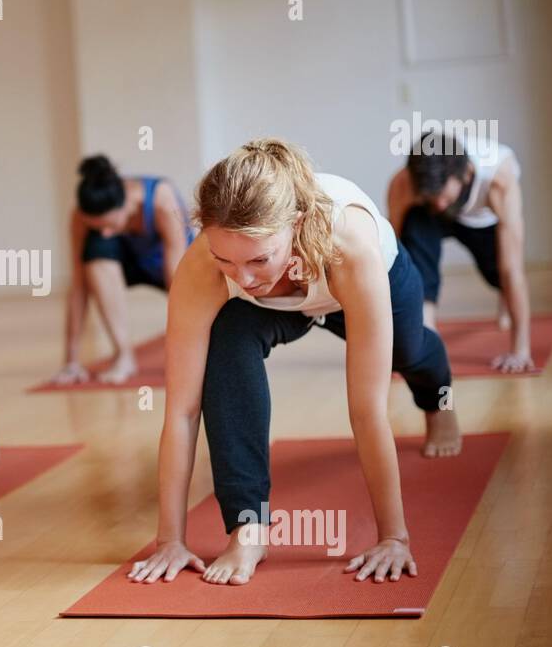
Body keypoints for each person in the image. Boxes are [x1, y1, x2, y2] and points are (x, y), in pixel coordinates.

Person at [129, 138, 460, 589]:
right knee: (227, 340)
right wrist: (169, 539)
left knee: (410, 351)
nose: (241, 278)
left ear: (296, 224)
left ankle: (439, 401)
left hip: (367, 280)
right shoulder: (204, 267)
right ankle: (248, 529)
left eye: (258, 259)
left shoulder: (351, 245)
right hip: (273, 307)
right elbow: (182, 411)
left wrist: (394, 538)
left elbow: (367, 411)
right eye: (225, 259)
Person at [387, 131, 533, 372]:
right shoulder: (405, 183)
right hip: (429, 220)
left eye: (444, 197)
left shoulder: (499, 181)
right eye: (434, 198)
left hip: (483, 219)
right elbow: (393, 255)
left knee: (498, 273)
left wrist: (521, 351)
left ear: (465, 175)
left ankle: (503, 302)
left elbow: (513, 270)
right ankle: (427, 329)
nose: (441, 205)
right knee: (415, 234)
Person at [49, 155, 194, 385]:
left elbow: (176, 283)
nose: (104, 232)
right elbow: (78, 286)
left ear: (125, 203)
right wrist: (71, 361)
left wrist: (185, 353)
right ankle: (123, 355)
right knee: (95, 254)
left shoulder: (161, 202)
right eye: (97, 227)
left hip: (172, 268)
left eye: (109, 224)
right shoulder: (81, 217)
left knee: (187, 297)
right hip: (128, 264)